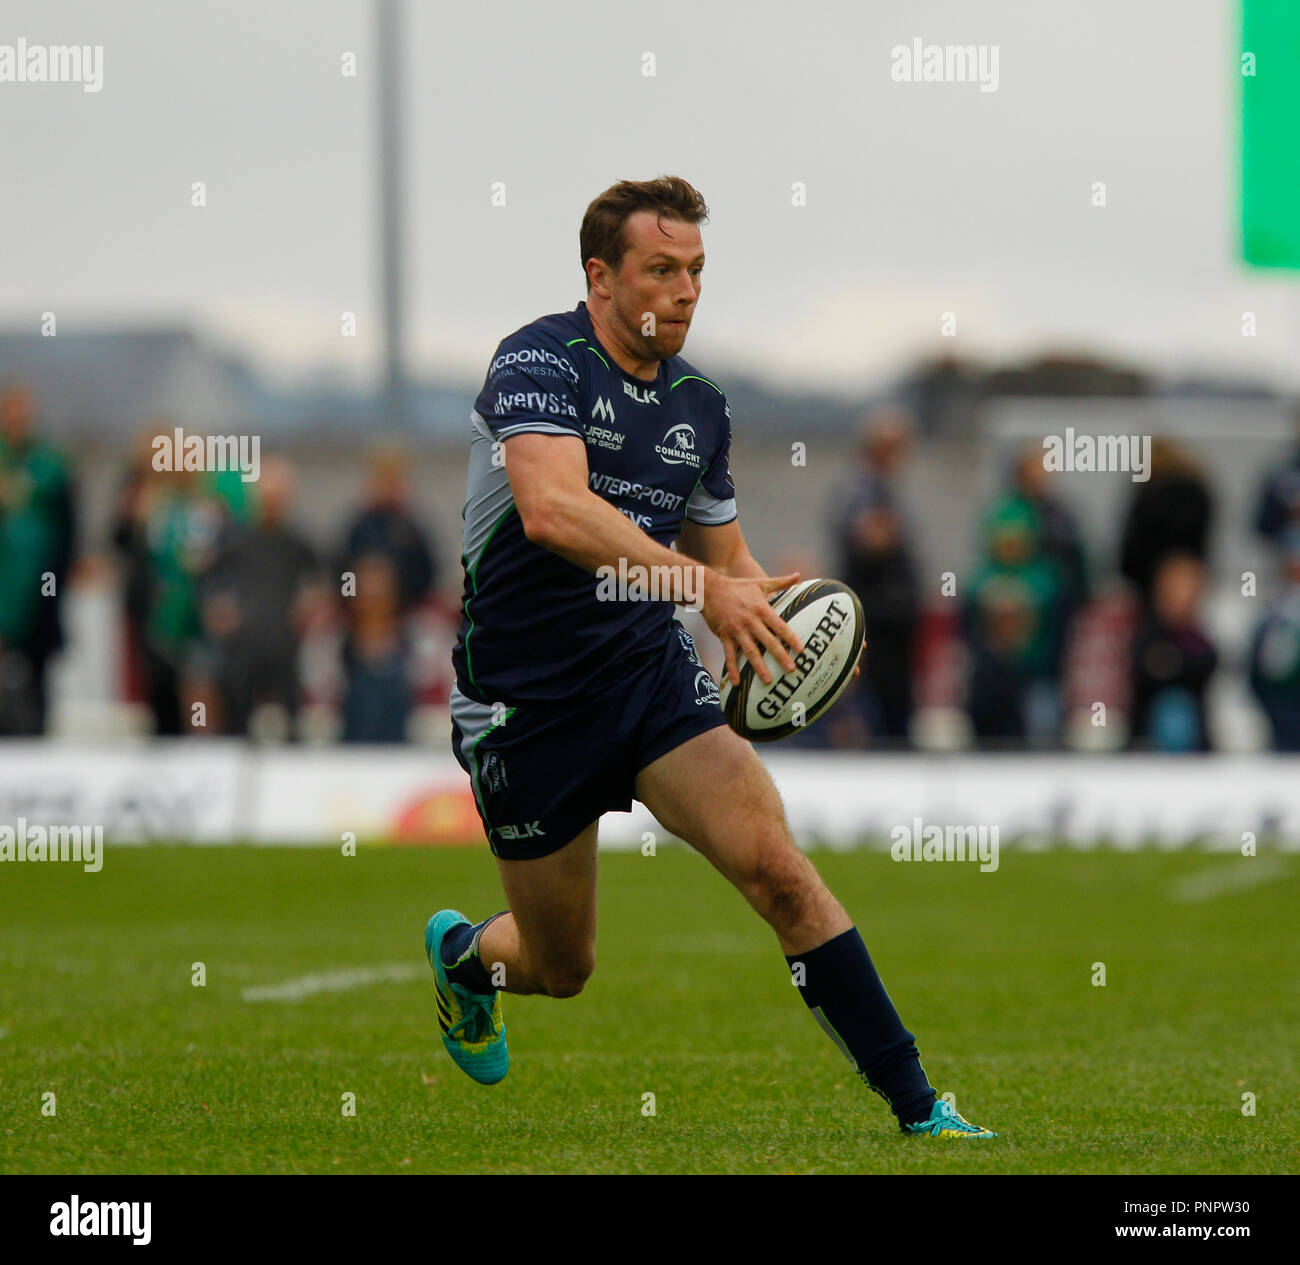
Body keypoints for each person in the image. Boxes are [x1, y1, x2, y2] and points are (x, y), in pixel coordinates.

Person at [425, 176, 994, 1139]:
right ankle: (467, 960)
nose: (684, 291)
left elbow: (728, 565)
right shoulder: (538, 360)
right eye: (661, 269)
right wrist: (705, 590)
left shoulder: (701, 406)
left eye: (695, 271)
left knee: (780, 872)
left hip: (649, 677)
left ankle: (921, 1111)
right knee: (563, 967)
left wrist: (792, 630)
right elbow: (551, 510)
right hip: (525, 703)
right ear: (599, 277)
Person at [830, 408, 920, 745]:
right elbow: (869, 539)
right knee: (881, 726)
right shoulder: (863, 490)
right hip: (875, 630)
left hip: (888, 630)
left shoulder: (881, 489)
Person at [0, 384, 75, 734]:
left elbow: (68, 525)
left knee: (36, 675)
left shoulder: (49, 464)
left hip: (37, 595)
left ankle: (35, 744)